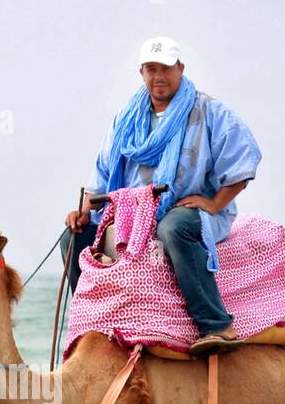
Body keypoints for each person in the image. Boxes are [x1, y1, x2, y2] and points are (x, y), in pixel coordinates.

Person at [63, 36, 262, 355]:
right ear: (141, 72)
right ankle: (93, 327)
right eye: (151, 69)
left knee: (172, 227)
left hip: (188, 210)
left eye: (166, 68)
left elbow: (242, 159)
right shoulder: (126, 118)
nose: (159, 76)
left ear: (180, 68)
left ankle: (215, 325)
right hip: (132, 212)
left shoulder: (208, 111)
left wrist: (214, 203)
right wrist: (85, 210)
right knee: (74, 237)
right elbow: (102, 171)